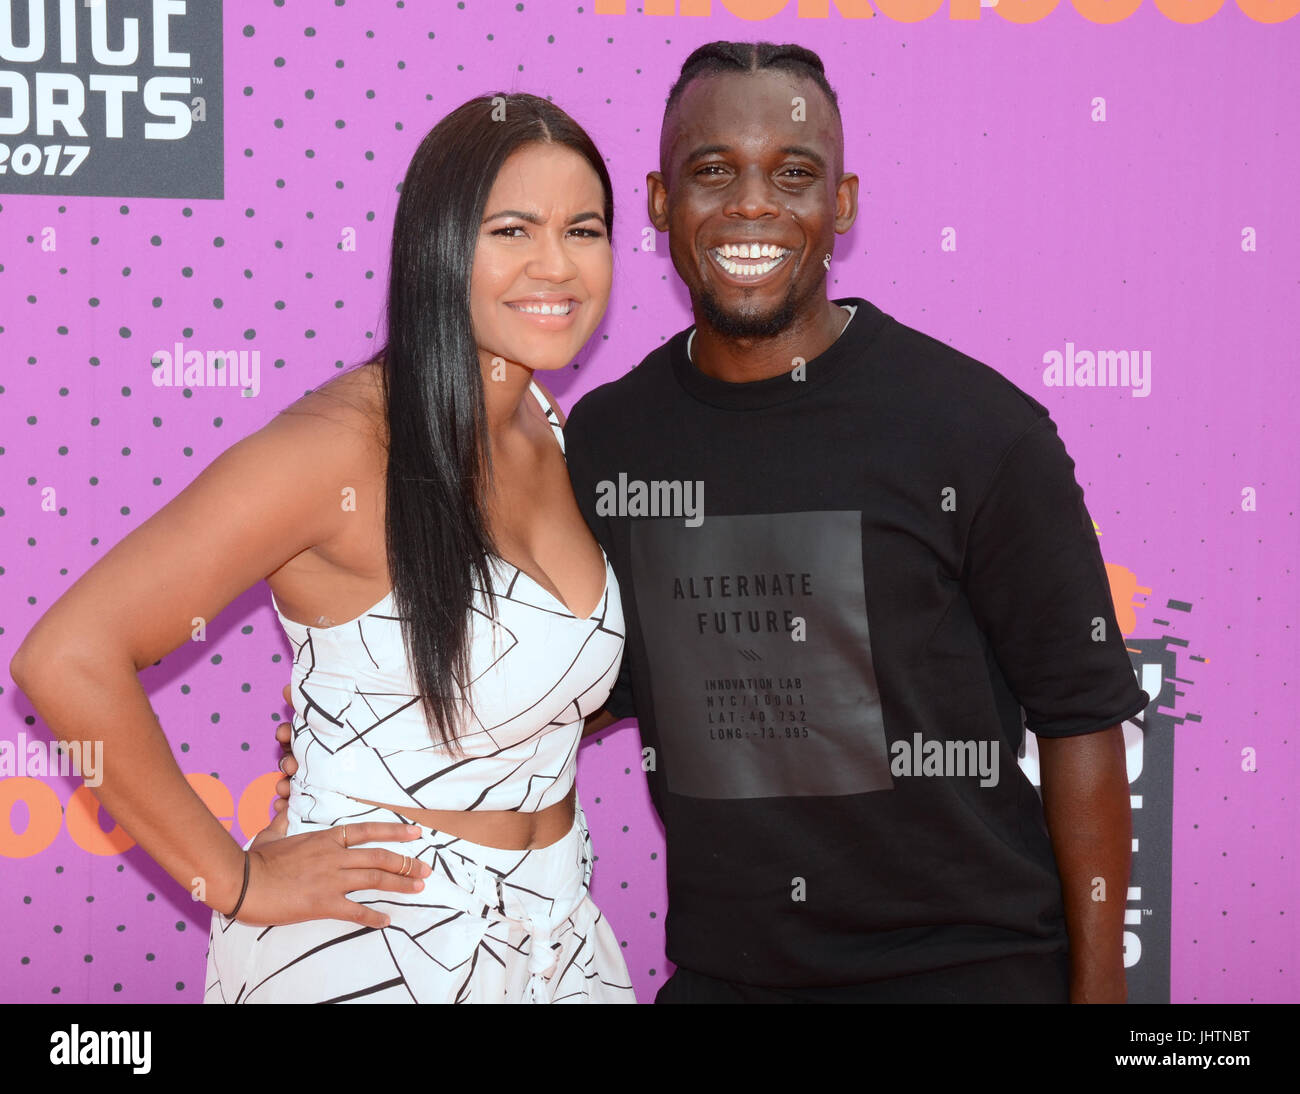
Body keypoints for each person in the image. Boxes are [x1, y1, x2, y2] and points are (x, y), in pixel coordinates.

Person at [274, 42, 1149, 1003]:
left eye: (795, 173)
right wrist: (406, 734)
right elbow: (598, 663)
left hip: (970, 972)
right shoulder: (609, 438)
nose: (753, 205)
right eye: (714, 170)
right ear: (659, 202)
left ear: (842, 204)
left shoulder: (979, 429)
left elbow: (1082, 718)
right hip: (727, 977)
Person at [10, 92, 635, 1004]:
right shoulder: (338, 448)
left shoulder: (548, 426)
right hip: (377, 945)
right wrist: (240, 881)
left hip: (557, 937)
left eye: (584, 229)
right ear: (438, 247)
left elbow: (535, 678)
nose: (555, 264)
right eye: (511, 230)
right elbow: (65, 657)